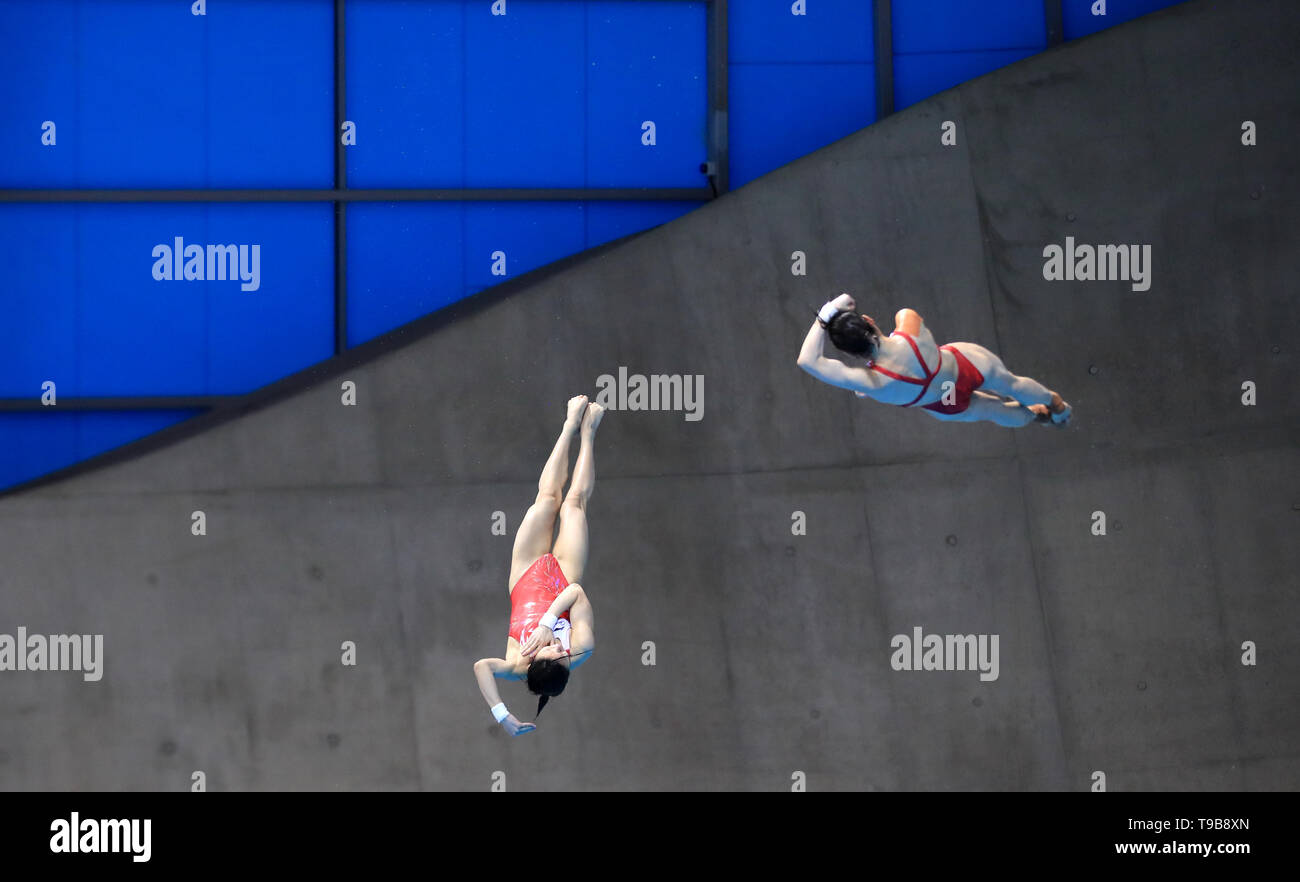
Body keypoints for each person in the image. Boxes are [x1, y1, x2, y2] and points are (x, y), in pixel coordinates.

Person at [473, 395, 600, 736]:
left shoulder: (516, 665)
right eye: (563, 654)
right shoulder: (582, 649)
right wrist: (547, 623)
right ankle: (587, 432)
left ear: (536, 663)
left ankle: (568, 425)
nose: (560, 648)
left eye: (553, 652)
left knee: (546, 500)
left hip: (526, 573)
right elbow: (575, 592)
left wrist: (503, 715)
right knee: (573, 505)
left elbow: (481, 666)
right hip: (564, 575)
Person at [797, 293, 1071, 427]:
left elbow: (807, 361)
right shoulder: (907, 323)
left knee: (993, 411)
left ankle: (1038, 417)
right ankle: (1056, 404)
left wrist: (823, 319)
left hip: (947, 403)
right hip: (962, 368)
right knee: (1010, 383)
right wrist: (833, 308)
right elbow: (901, 328)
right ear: (868, 322)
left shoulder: (871, 383)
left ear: (848, 354)